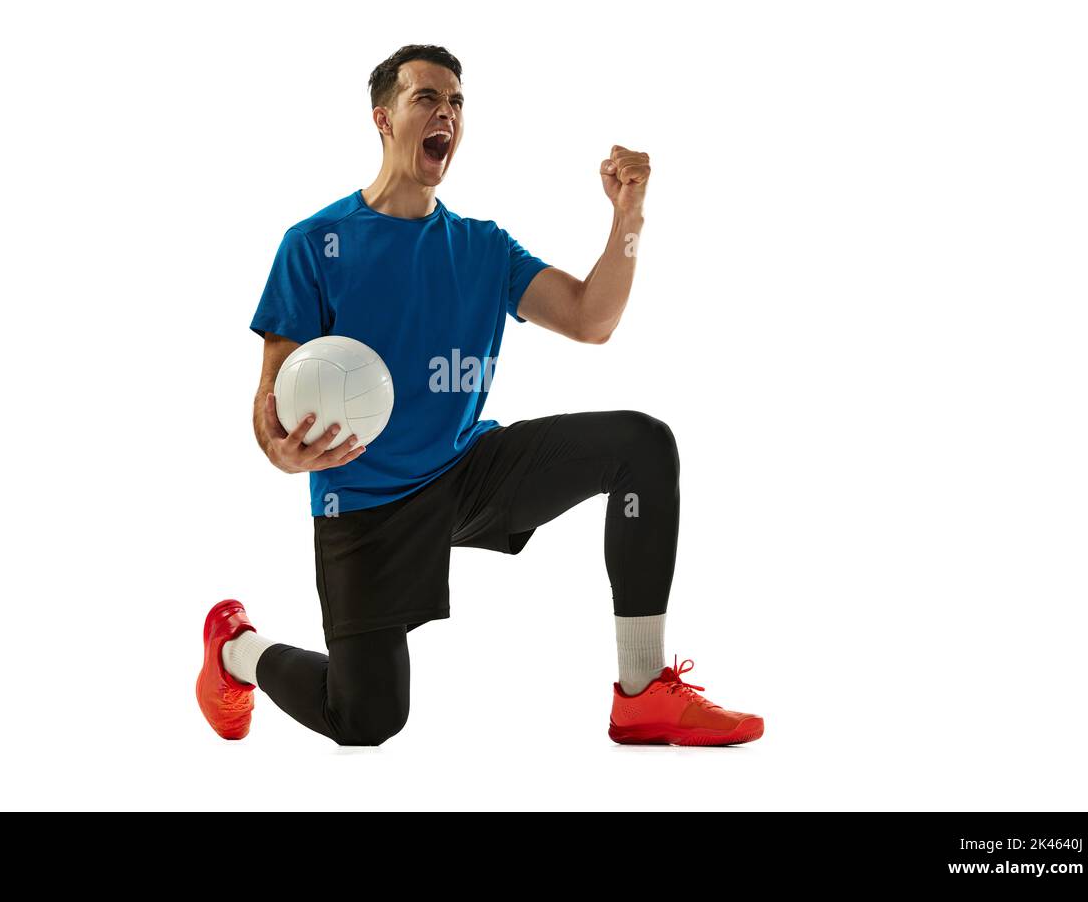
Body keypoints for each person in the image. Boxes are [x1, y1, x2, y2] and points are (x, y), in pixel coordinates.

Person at [195, 44, 763, 747]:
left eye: (457, 102)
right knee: (366, 718)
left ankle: (642, 694)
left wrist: (630, 215)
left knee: (641, 445)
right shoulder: (315, 244)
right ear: (383, 119)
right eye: (426, 99)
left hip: (468, 471)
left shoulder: (482, 247)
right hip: (366, 502)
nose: (446, 114)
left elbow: (592, 318)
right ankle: (234, 650)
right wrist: (280, 449)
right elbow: (271, 390)